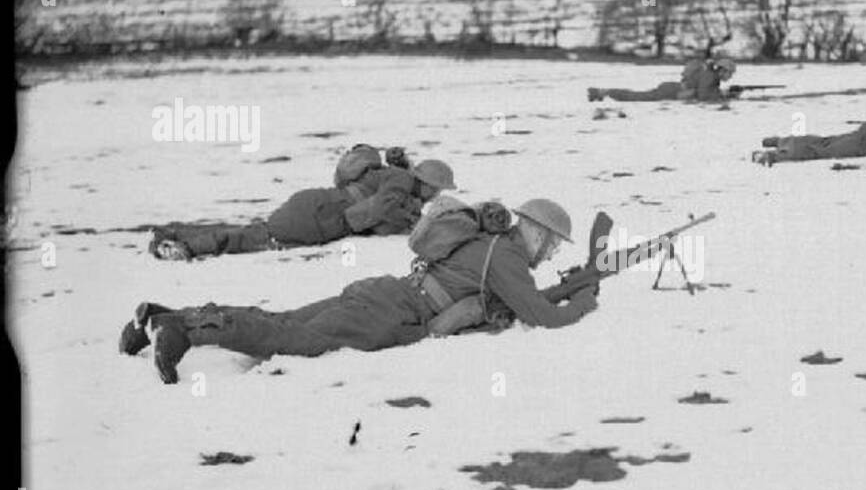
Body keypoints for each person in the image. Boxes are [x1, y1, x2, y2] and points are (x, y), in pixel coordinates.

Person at [119, 199, 598, 384]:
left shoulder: (492, 245)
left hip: (385, 292)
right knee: (289, 339)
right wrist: (584, 300)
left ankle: (165, 318)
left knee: (283, 319)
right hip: (390, 313)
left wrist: (565, 287)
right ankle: (183, 333)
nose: (553, 252)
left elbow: (525, 300)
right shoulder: (508, 256)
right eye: (553, 242)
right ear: (535, 232)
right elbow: (541, 317)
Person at [149, 149, 457, 260]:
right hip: (319, 215)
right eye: (438, 190)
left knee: (253, 232)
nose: (435, 196)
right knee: (254, 237)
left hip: (316, 205)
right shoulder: (401, 183)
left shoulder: (398, 182)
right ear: (429, 184)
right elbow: (379, 213)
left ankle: (174, 233)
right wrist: (415, 226)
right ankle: (185, 247)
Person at [587, 55, 737, 103]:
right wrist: (723, 97)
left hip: (671, 89)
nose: (730, 77)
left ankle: (603, 92)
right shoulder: (709, 76)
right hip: (670, 91)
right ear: (722, 70)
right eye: (729, 73)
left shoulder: (709, 74)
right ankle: (603, 92)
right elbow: (704, 96)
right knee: (637, 97)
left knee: (638, 95)